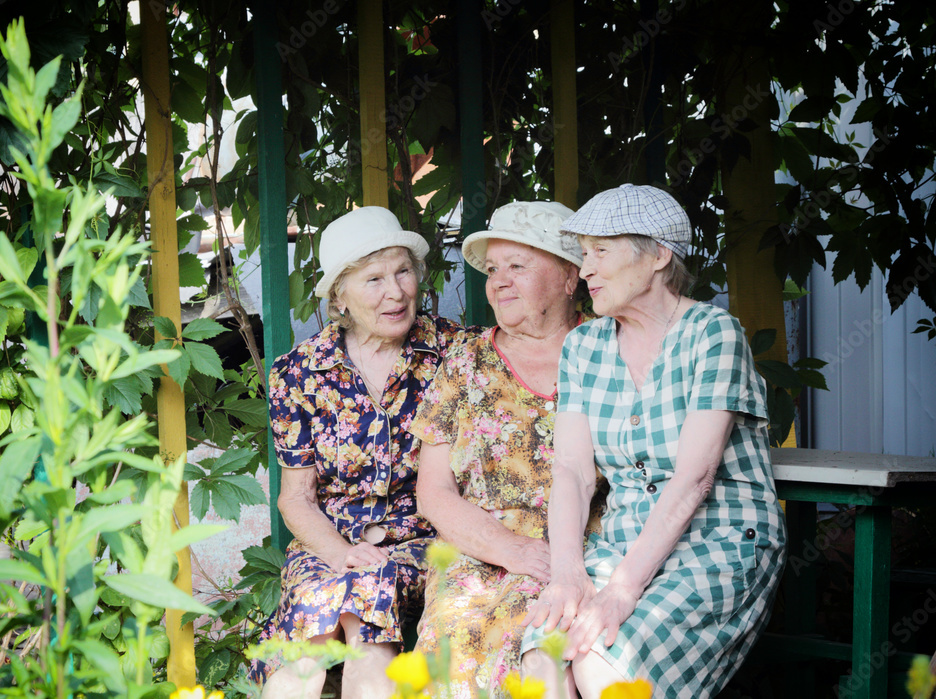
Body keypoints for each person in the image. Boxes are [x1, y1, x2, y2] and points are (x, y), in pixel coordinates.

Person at [522, 184, 786, 699]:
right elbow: (573, 471)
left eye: (601, 251)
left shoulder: (712, 333)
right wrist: (569, 573)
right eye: (583, 253)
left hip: (721, 539)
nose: (586, 269)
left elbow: (694, 479)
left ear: (659, 255)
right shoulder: (583, 345)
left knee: (604, 667)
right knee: (544, 660)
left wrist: (621, 592)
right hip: (623, 540)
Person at [253, 207, 466, 699]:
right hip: (329, 544)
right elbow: (296, 499)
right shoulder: (299, 372)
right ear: (339, 297)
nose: (396, 292)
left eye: (403, 271)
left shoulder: (454, 352)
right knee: (309, 640)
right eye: (374, 279)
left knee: (364, 609)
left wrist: (365, 562)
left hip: (420, 541)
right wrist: (342, 553)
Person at [410, 201, 597, 697]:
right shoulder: (465, 364)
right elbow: (433, 491)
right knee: (447, 651)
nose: (498, 282)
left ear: (569, 276)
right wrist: (508, 549)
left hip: (582, 548)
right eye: (494, 269)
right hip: (481, 550)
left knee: (544, 652)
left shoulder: (608, 352)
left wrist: (558, 559)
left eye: (518, 266)